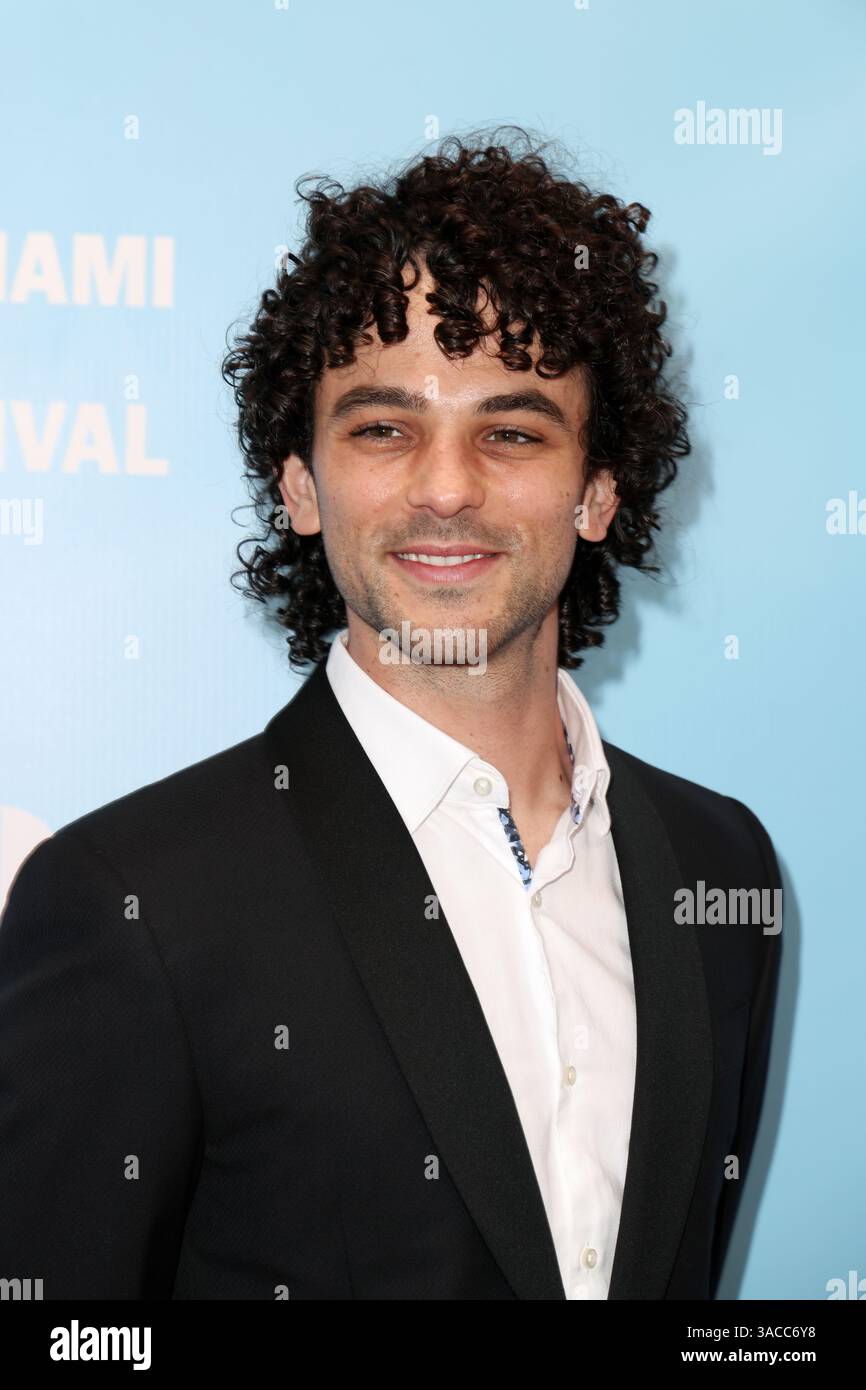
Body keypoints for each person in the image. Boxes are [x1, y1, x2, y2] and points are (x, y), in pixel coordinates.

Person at [0, 129, 782, 1300]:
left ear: (599, 490)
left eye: (510, 431)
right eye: (382, 427)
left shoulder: (719, 865)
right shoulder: (133, 898)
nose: (446, 486)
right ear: (301, 485)